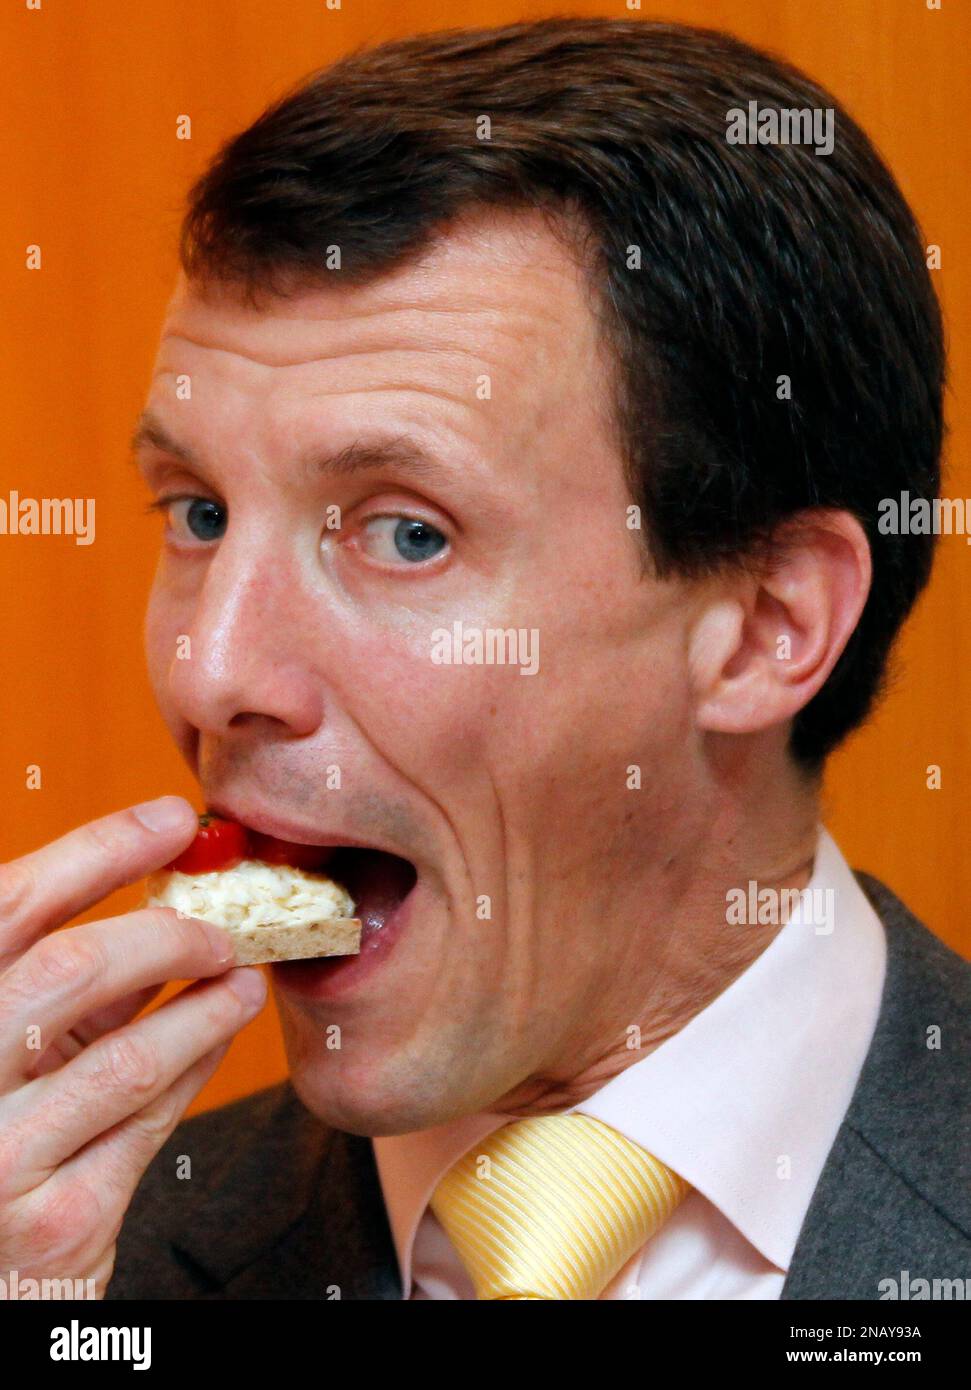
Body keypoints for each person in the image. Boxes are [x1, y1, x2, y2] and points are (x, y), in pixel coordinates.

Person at [2, 18, 968, 1301]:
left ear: (764, 624)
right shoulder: (89, 1278)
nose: (208, 673)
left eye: (404, 532)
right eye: (198, 513)